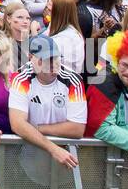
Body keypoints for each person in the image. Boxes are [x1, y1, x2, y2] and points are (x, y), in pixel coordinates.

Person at [7, 34, 86, 169]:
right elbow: (17, 124)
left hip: (66, 163)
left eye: (56, 59)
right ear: (32, 58)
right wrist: (54, 149)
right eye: (47, 60)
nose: (53, 65)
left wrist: (36, 129)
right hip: (30, 163)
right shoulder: (20, 79)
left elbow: (77, 129)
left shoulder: (74, 81)